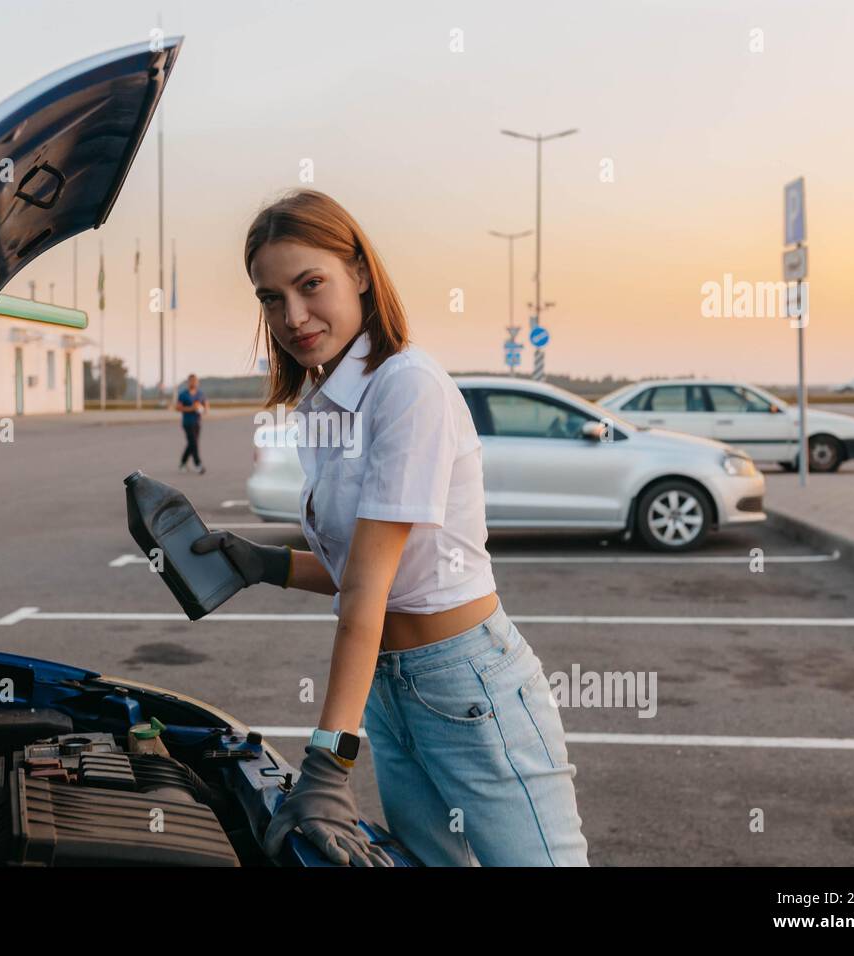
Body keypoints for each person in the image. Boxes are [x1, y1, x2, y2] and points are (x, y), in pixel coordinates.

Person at [191, 188, 589, 867]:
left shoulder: (407, 387)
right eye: (269, 297)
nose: (292, 315)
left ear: (361, 273)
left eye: (309, 284)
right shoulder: (322, 404)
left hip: (468, 687)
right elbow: (375, 574)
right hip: (391, 687)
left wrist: (326, 766)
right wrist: (263, 563)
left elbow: (367, 595)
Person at [174, 373, 207, 474]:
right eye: (191, 381)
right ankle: (198, 464)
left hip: (197, 422)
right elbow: (178, 408)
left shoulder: (200, 394)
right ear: (188, 382)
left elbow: (206, 407)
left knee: (192, 444)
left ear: (197, 382)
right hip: (187, 422)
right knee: (193, 443)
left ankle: (182, 463)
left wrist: (201, 409)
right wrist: (191, 408)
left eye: (195, 381)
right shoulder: (183, 394)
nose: (193, 382)